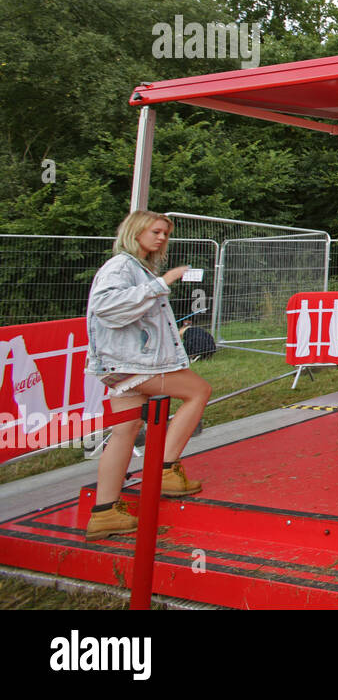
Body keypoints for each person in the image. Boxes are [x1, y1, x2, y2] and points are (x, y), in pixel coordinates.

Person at [83, 211, 212, 541]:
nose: (161, 238)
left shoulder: (136, 267)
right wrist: (163, 282)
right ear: (135, 231)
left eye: (165, 234)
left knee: (125, 430)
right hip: (131, 363)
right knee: (198, 391)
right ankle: (166, 468)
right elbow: (106, 306)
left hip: (122, 364)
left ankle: (104, 511)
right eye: (155, 231)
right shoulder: (122, 266)